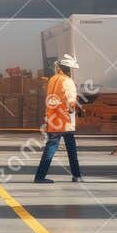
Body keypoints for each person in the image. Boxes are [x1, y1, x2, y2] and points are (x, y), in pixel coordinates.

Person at [33, 54, 85, 185]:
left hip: (53, 118)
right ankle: (76, 176)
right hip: (65, 121)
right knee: (70, 150)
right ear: (68, 69)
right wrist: (75, 111)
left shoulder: (52, 79)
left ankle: (41, 176)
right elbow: (70, 102)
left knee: (51, 148)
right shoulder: (68, 82)